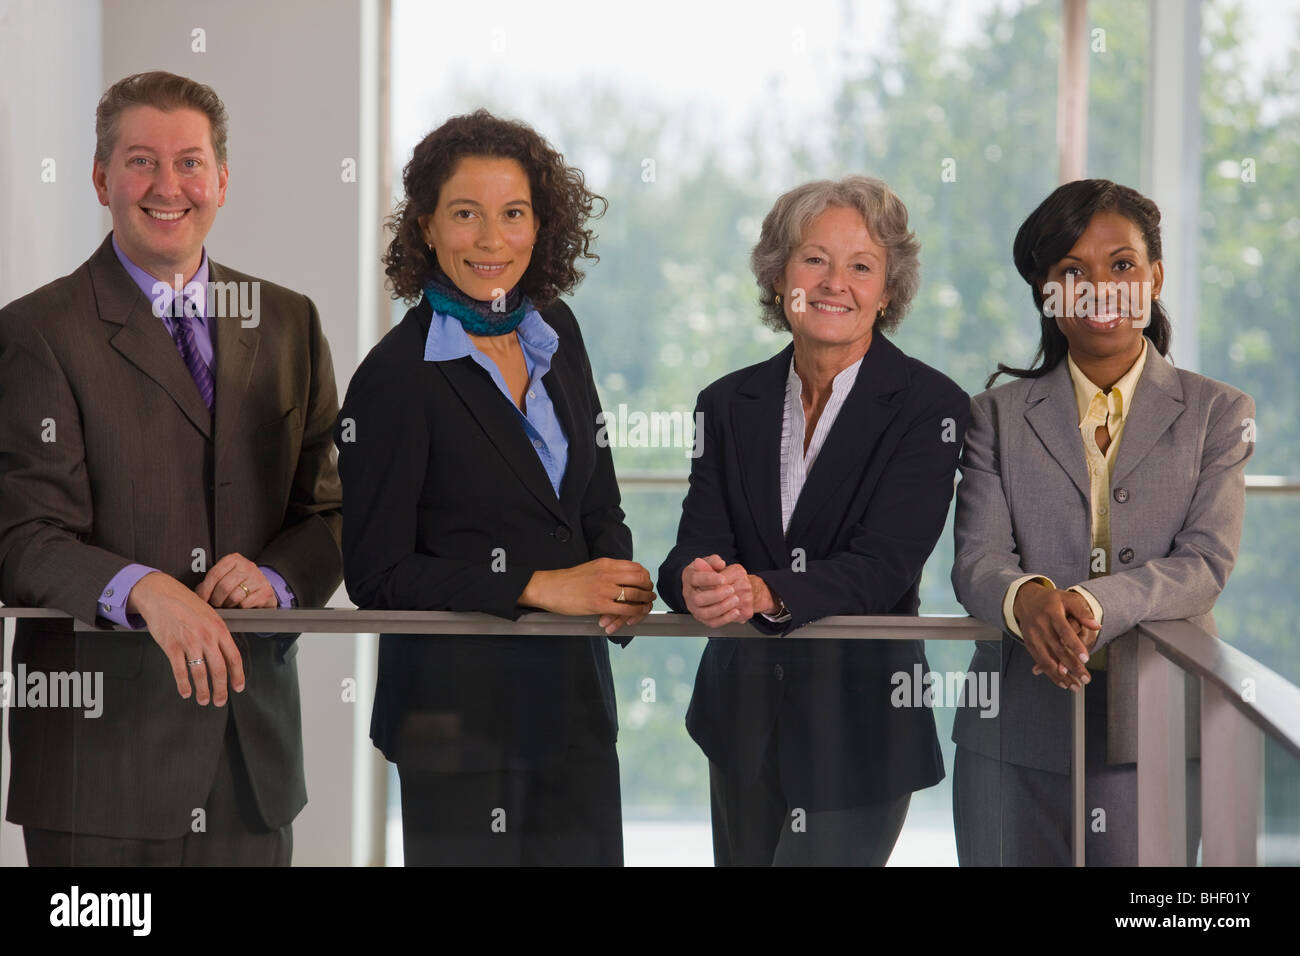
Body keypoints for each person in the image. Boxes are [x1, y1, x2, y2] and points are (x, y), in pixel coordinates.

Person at [0, 71, 343, 865]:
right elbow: (21, 537)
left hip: (251, 760)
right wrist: (141, 589)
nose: (167, 186)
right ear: (100, 178)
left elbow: (331, 509)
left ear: (222, 179)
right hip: (100, 767)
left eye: (189, 162)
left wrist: (280, 580)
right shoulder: (37, 332)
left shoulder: (289, 321)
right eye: (140, 161)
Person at [338, 109, 653, 866]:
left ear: (541, 225)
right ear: (426, 228)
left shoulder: (559, 330)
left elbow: (595, 500)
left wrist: (618, 579)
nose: (490, 239)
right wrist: (542, 586)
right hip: (456, 728)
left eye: (513, 214)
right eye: (466, 214)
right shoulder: (394, 380)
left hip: (575, 709)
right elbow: (377, 576)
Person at [657, 176, 969, 866]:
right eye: (814, 259)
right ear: (779, 278)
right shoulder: (726, 402)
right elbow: (696, 542)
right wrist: (694, 580)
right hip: (739, 724)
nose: (836, 283)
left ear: (888, 291)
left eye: (861, 266)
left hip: (857, 731)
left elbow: (883, 566)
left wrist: (766, 593)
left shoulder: (930, 406)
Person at [950, 179, 1254, 865]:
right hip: (1011, 736)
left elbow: (1205, 562)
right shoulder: (993, 415)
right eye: (1070, 271)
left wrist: (1088, 601)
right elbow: (976, 560)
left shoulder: (1219, 413)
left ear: (1155, 277)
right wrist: (1029, 598)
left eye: (1121, 265)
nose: (1099, 288)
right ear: (1045, 293)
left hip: (1158, 732)